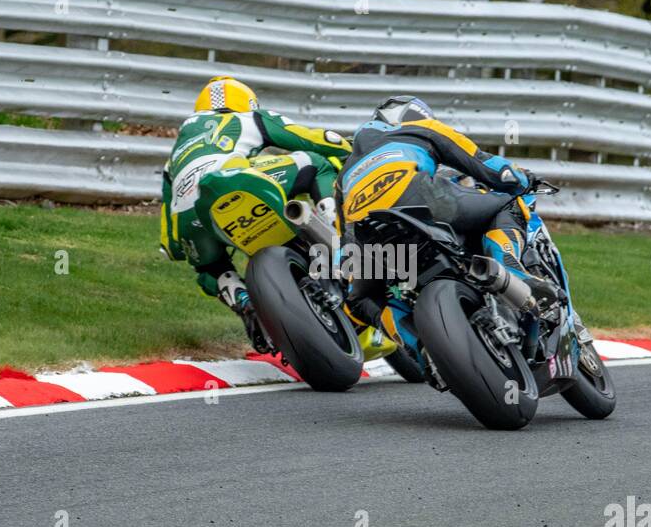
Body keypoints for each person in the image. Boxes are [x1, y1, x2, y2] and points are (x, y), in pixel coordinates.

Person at [335, 95, 558, 359]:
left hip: (365, 233)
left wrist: (354, 279)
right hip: (418, 197)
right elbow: (488, 167)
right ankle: (512, 271)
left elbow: (343, 235)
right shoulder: (422, 128)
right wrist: (523, 180)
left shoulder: (344, 174)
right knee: (508, 203)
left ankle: (421, 350)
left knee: (362, 300)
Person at [159, 75, 350, 343]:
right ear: (246, 102)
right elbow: (313, 139)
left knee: (209, 269)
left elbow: (171, 245)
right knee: (316, 163)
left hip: (190, 220)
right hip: (235, 181)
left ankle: (243, 300)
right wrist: (349, 150)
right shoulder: (247, 118)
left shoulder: (173, 158)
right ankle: (340, 245)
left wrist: (185, 247)